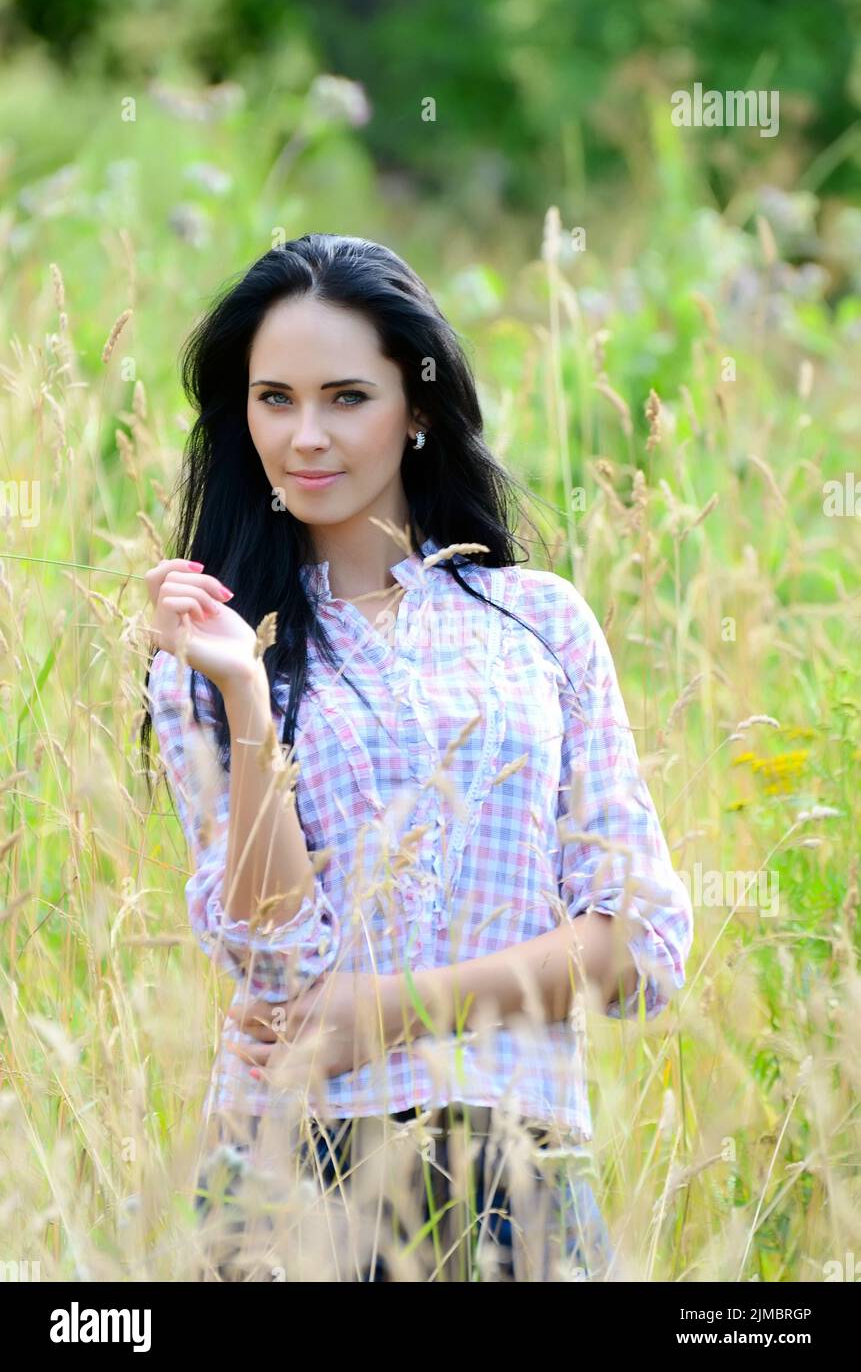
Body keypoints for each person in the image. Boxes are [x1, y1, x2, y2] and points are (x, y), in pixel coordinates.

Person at [140, 232, 693, 1281]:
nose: (306, 436)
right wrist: (247, 697)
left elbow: (644, 942)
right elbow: (276, 960)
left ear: (421, 405)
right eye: (274, 399)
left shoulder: (536, 624)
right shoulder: (213, 656)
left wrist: (392, 1009)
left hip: (520, 1171)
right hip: (299, 1173)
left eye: (348, 396)